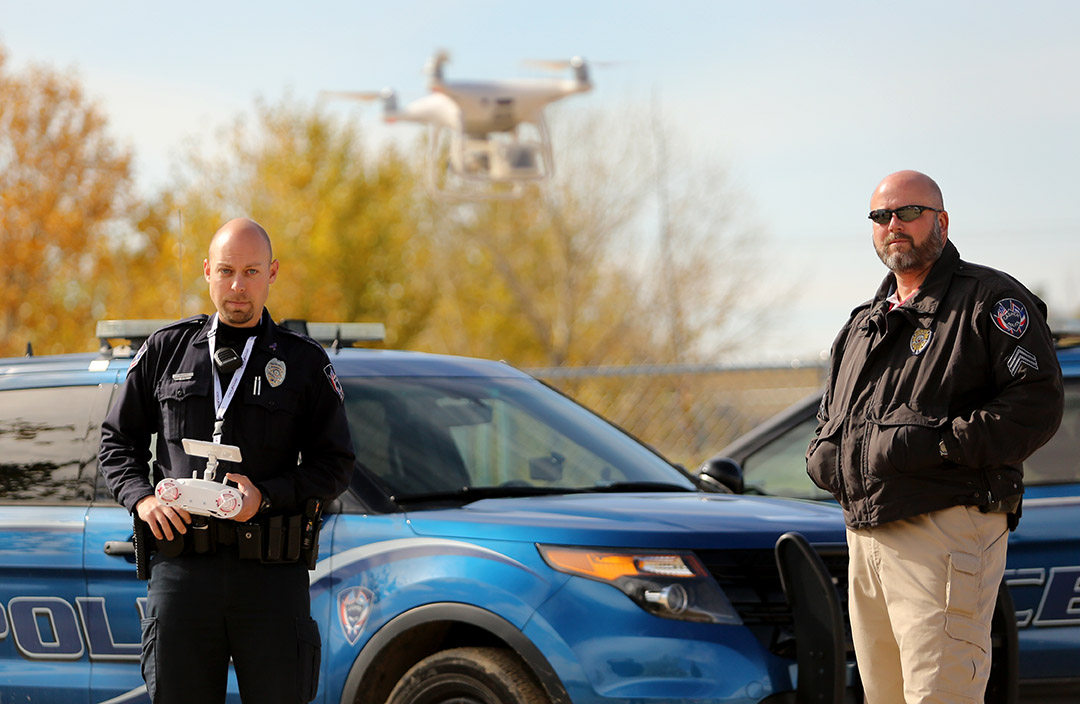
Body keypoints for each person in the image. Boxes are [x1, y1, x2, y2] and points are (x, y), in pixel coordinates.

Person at [806, 171, 1064, 703]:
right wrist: (824, 457)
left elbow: (1035, 402)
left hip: (945, 532)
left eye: (908, 213)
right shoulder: (863, 326)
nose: (893, 225)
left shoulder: (989, 301)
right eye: (881, 217)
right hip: (866, 538)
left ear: (941, 221)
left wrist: (942, 445)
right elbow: (830, 418)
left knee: (940, 694)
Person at [100, 218, 354, 703]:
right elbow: (116, 442)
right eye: (226, 270)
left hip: (270, 578)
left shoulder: (302, 363)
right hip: (182, 573)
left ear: (272, 273)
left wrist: (267, 497)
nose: (238, 286)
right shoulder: (165, 350)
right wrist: (142, 500)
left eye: (252, 271)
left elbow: (335, 463)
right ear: (207, 272)